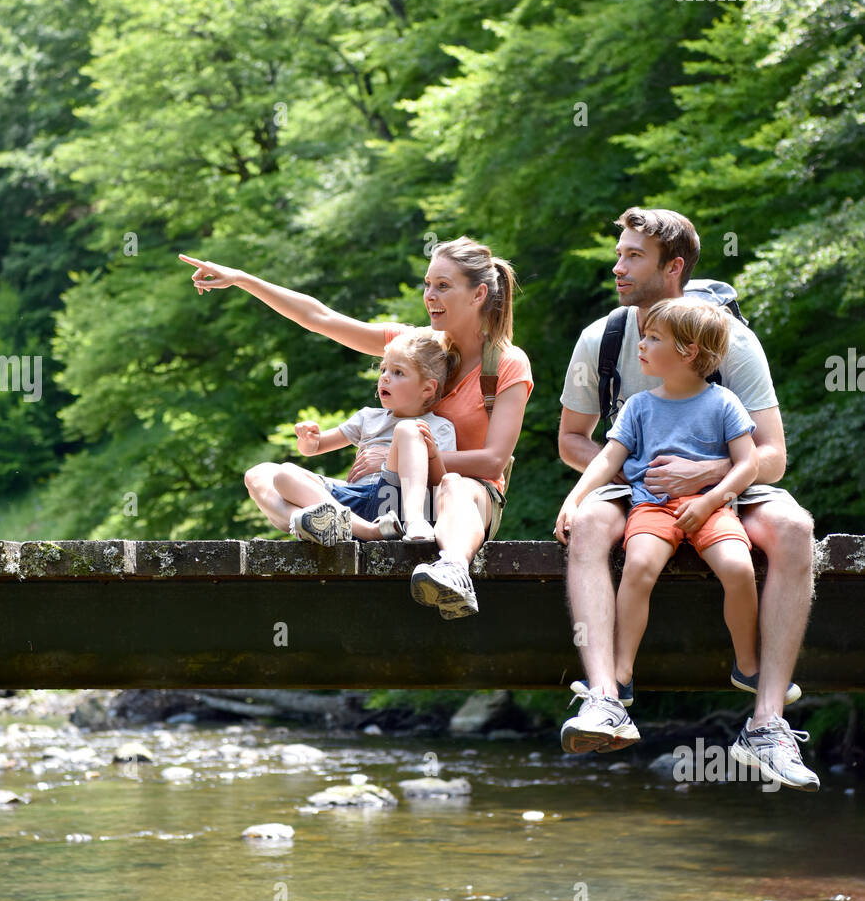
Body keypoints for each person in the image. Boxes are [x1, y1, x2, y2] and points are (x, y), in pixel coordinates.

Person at [554, 207, 819, 792]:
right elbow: (575, 440)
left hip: (728, 484)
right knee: (593, 525)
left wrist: (708, 473)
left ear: (673, 267)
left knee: (797, 529)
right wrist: (631, 470)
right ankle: (606, 699)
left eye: (633, 257)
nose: (617, 267)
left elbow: (771, 454)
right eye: (618, 253)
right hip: (634, 485)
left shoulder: (732, 342)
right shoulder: (603, 338)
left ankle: (768, 724)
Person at [178, 237, 533, 618]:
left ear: (478, 293)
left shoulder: (508, 363)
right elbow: (321, 318)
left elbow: (494, 461)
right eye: (427, 284)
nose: (429, 295)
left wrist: (404, 455)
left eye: (443, 286)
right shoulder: (416, 346)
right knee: (264, 475)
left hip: (461, 501)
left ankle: (453, 571)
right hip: (389, 499)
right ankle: (337, 525)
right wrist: (243, 279)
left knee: (454, 485)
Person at [560, 295, 763, 753]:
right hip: (652, 508)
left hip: (712, 508)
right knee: (639, 567)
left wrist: (711, 500)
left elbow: (747, 465)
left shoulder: (724, 402)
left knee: (738, 568)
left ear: (688, 351)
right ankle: (621, 677)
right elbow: (609, 458)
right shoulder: (637, 406)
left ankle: (748, 665)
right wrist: (575, 498)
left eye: (654, 338)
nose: (641, 345)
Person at [271, 329, 458, 545]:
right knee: (283, 474)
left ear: (427, 389)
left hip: (394, 498)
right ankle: (349, 524)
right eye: (383, 369)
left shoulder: (440, 427)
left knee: (408, 429)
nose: (385, 377)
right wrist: (309, 439)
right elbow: (314, 448)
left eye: (398, 372)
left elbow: (441, 484)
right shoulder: (368, 417)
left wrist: (431, 455)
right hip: (355, 500)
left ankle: (413, 521)